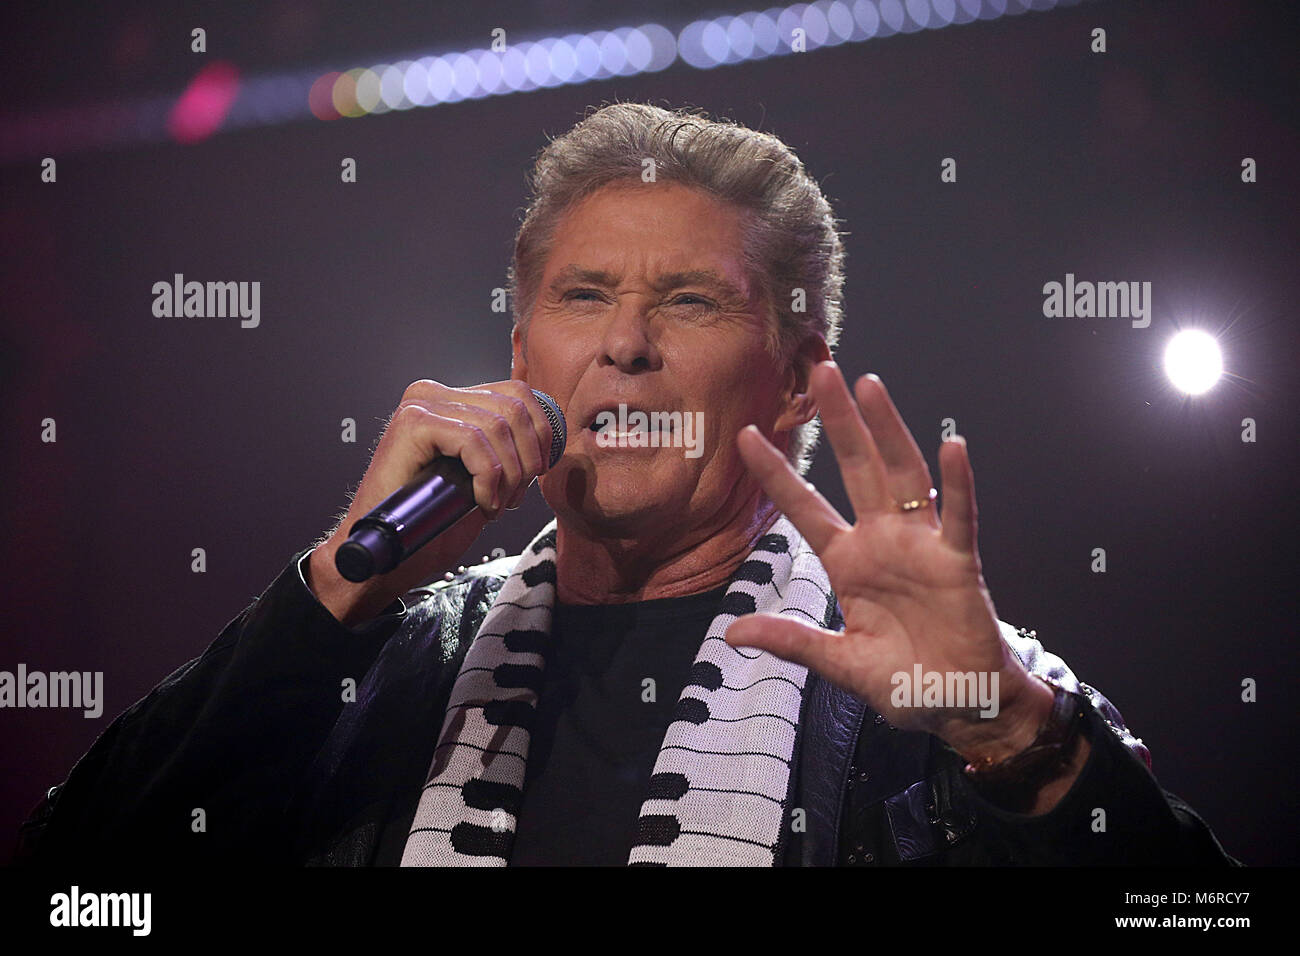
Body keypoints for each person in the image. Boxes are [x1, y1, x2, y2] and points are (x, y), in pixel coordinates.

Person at [17, 102, 1237, 866]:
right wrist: (331, 590)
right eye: (583, 295)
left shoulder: (940, 690)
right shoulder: (378, 654)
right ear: (518, 358)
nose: (625, 344)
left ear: (795, 381)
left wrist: (1001, 722)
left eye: (690, 300)